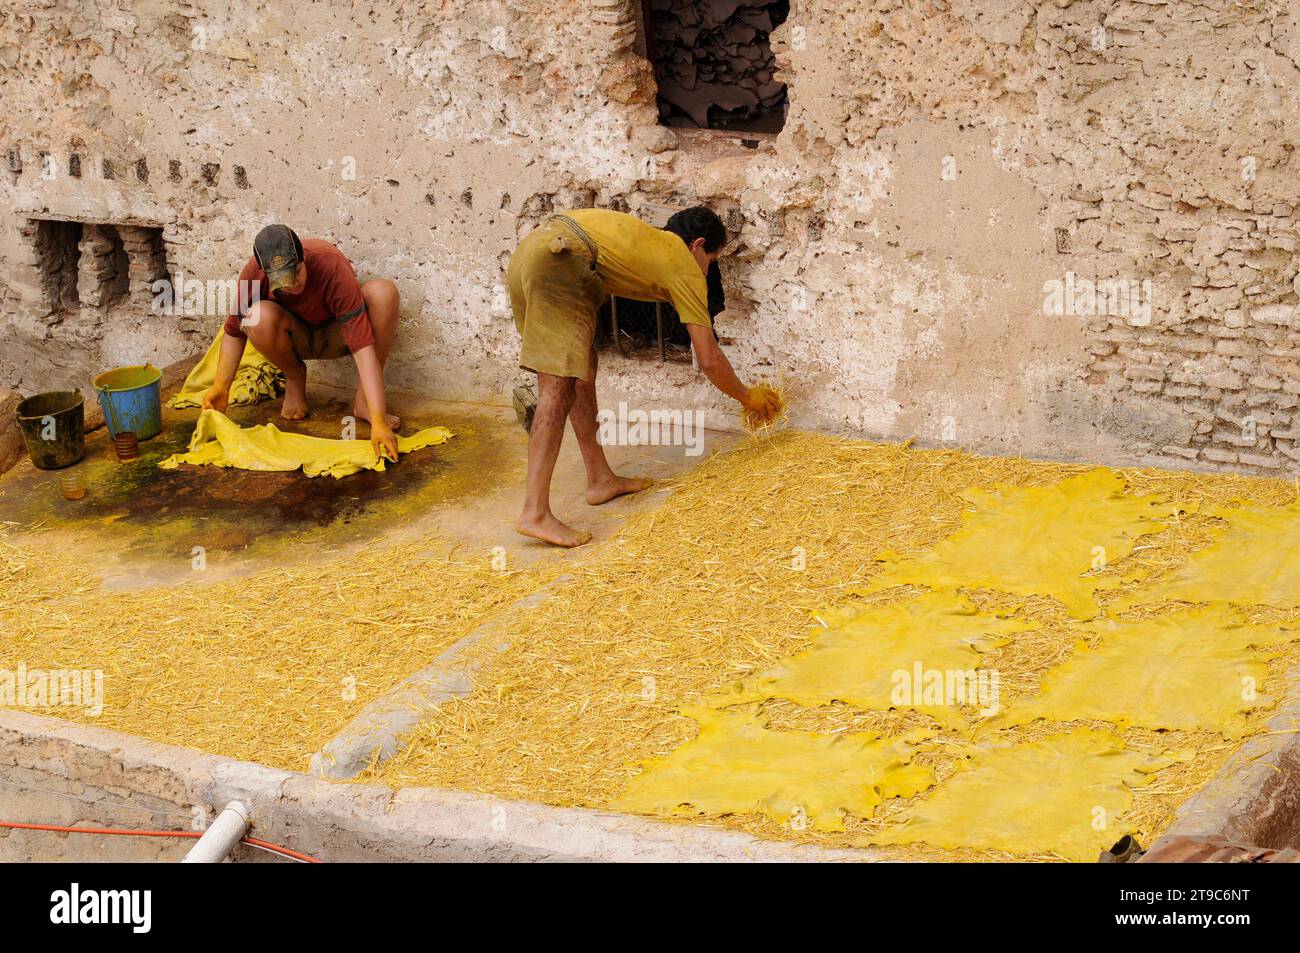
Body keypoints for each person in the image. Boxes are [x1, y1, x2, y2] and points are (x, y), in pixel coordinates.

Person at [507, 205, 781, 547]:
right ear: (697, 245)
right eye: (711, 260)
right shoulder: (683, 264)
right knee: (557, 387)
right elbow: (708, 358)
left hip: (530, 253)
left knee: (581, 371)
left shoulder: (648, 241)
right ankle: (535, 513)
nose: (708, 270)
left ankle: (600, 479)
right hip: (562, 260)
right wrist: (746, 396)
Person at [200, 224, 402, 460]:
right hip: (295, 338)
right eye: (284, 280)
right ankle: (295, 379)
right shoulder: (253, 275)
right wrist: (221, 387)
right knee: (255, 318)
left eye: (297, 271)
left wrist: (378, 419)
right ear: (265, 272)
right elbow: (235, 332)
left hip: (337, 335)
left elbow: (362, 347)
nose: (294, 283)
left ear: (304, 258)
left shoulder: (330, 264)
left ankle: (365, 403)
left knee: (383, 292)